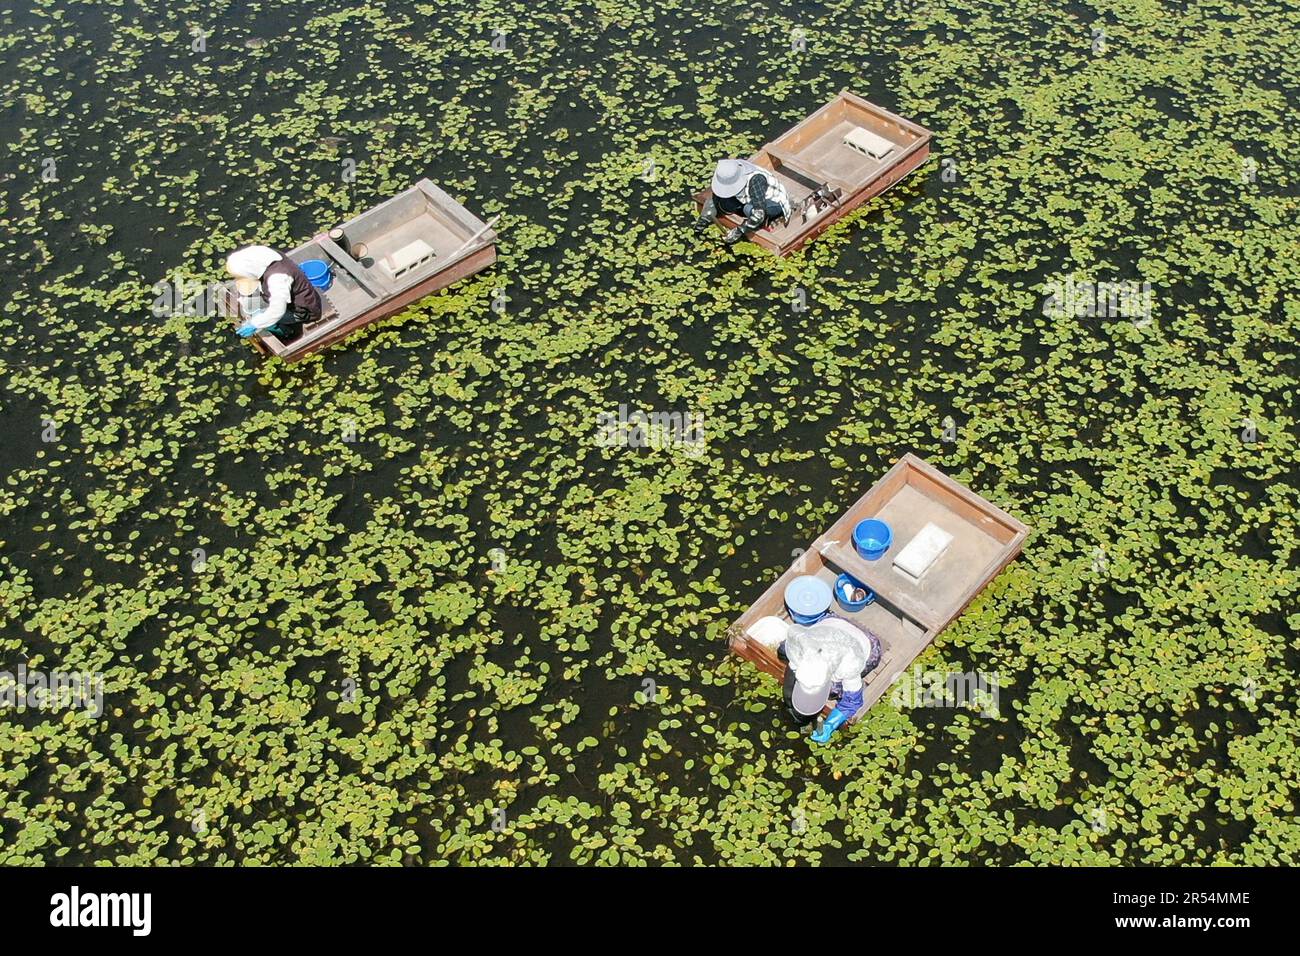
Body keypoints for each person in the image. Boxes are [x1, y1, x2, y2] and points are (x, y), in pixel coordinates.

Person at [226, 245, 322, 343]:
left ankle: (288, 334)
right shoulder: (263, 254)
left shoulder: (277, 278)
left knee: (265, 320)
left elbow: (277, 310)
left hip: (304, 310)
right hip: (289, 296)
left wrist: (255, 324)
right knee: (254, 307)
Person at [694, 159, 793, 246]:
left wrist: (738, 231)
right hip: (748, 197)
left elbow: (758, 214)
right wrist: (702, 222)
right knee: (723, 203)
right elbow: (715, 197)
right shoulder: (730, 171)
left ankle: (766, 222)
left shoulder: (756, 180)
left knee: (749, 209)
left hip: (773, 202)